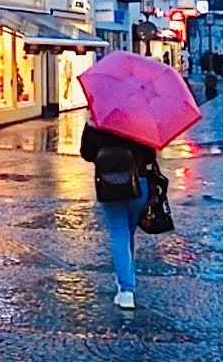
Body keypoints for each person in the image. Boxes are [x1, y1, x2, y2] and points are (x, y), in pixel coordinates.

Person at [79, 123, 157, 310]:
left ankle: (126, 290)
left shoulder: (98, 121)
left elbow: (86, 153)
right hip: (139, 183)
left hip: (109, 183)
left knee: (119, 234)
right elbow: (150, 155)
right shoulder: (139, 119)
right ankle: (126, 282)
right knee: (128, 233)